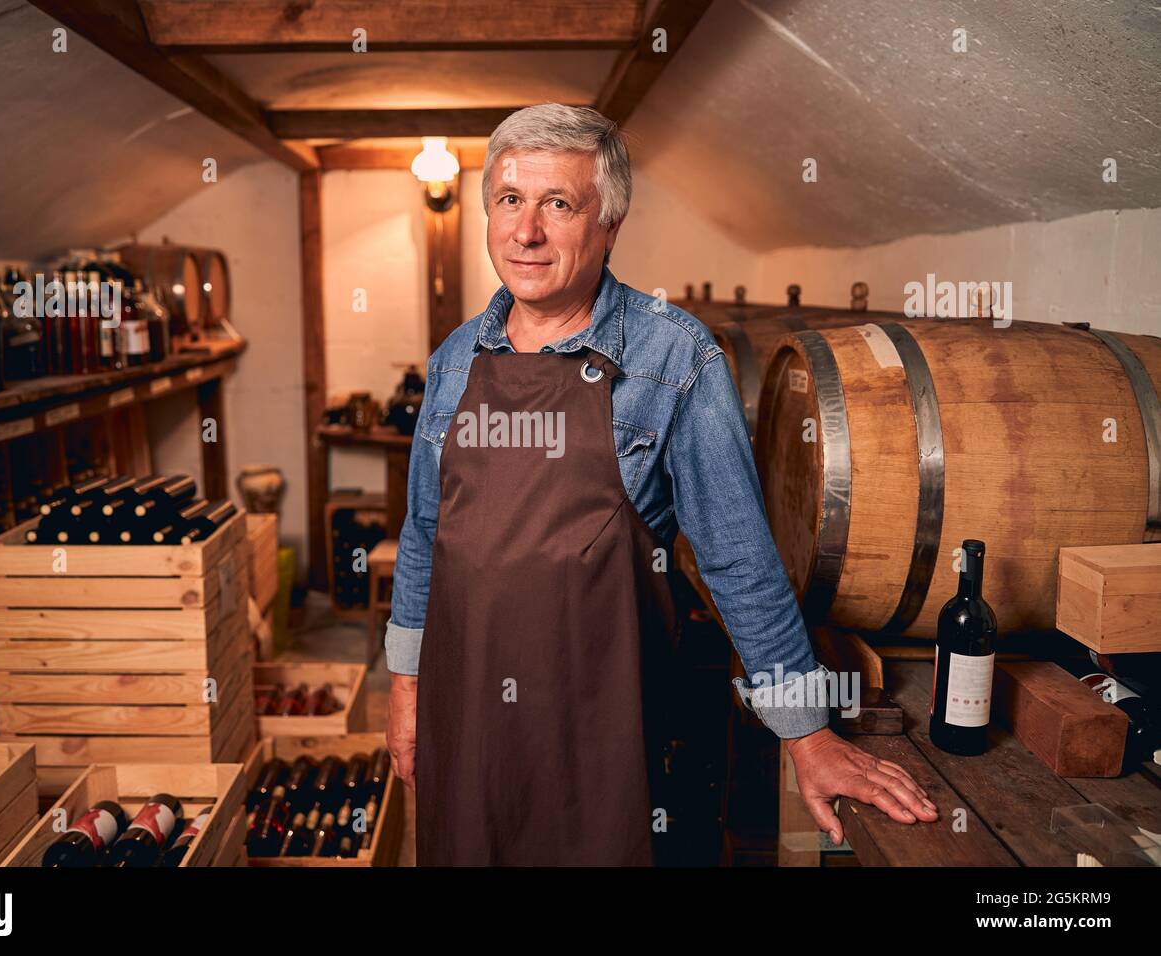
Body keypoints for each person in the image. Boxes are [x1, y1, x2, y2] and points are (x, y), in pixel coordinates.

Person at [385, 103, 937, 865]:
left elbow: (738, 557)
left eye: (559, 205)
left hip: (601, 726)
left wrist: (807, 733)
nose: (527, 231)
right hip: (466, 710)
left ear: (610, 225)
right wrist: (408, 692)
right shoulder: (454, 359)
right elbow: (422, 537)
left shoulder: (674, 358)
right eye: (510, 200)